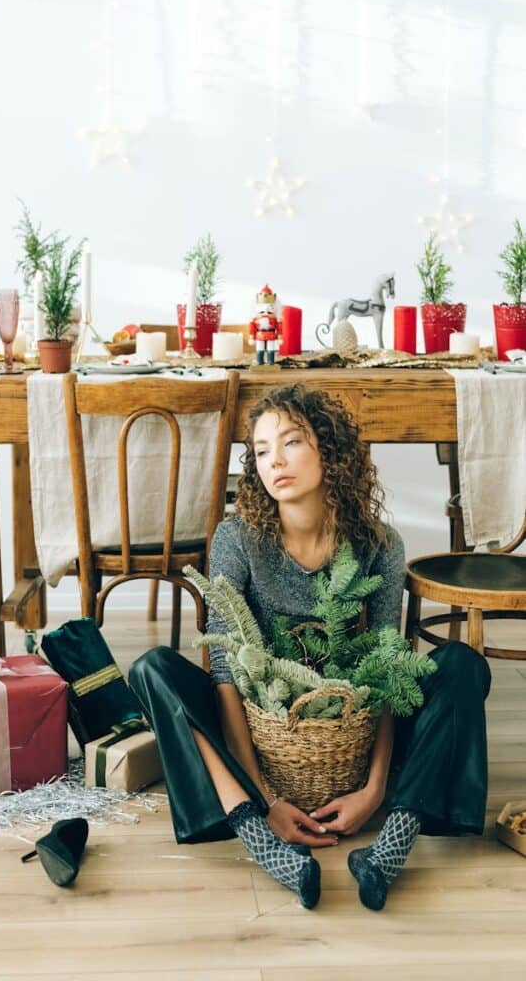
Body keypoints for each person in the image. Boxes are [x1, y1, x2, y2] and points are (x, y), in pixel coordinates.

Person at [129, 384, 491, 911]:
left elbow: (389, 666)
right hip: (264, 726)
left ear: (329, 448)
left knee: (461, 666)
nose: (274, 460)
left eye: (292, 442)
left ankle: (391, 846)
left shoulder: (379, 544)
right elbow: (227, 672)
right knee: (152, 669)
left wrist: (373, 790)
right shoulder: (237, 539)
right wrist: (267, 799)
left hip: (353, 724)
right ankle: (256, 834)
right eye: (260, 450)